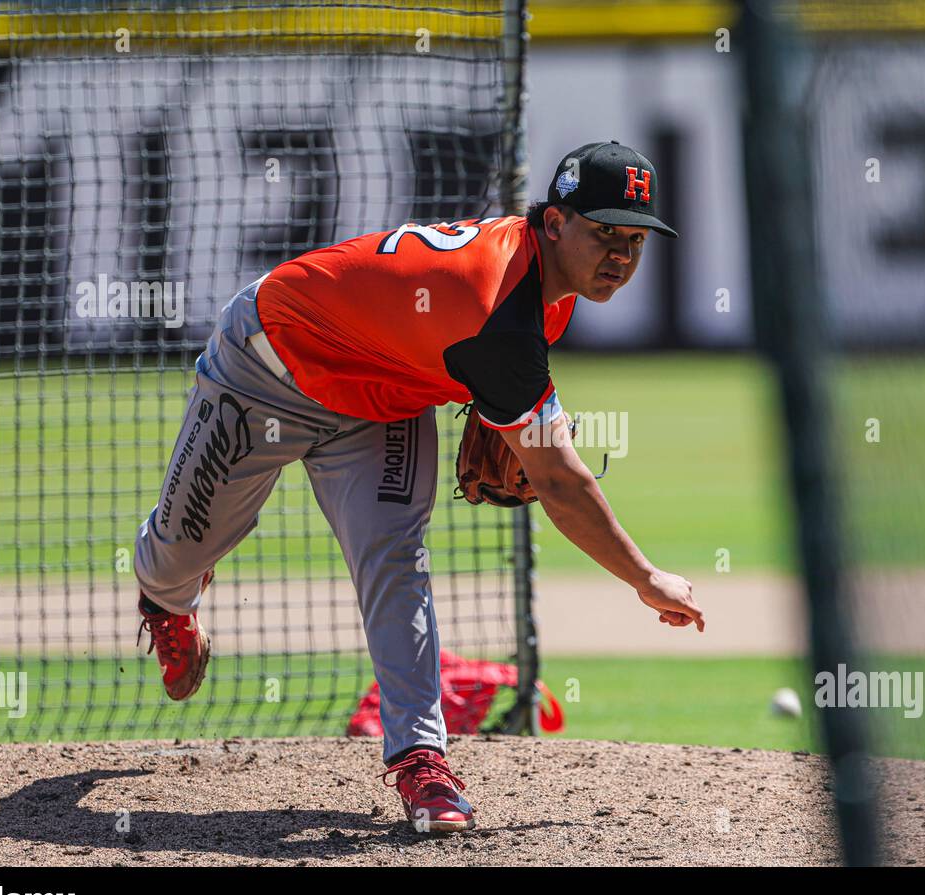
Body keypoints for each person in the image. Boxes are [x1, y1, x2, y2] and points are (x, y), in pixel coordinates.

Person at [133, 141, 705, 832]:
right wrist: (645, 577)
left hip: (382, 403)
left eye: (635, 239)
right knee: (174, 559)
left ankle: (420, 762)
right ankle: (170, 603)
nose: (620, 253)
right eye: (603, 232)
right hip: (269, 364)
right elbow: (558, 479)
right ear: (554, 225)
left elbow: (509, 401)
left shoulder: (544, 294)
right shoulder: (499, 304)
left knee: (397, 556)